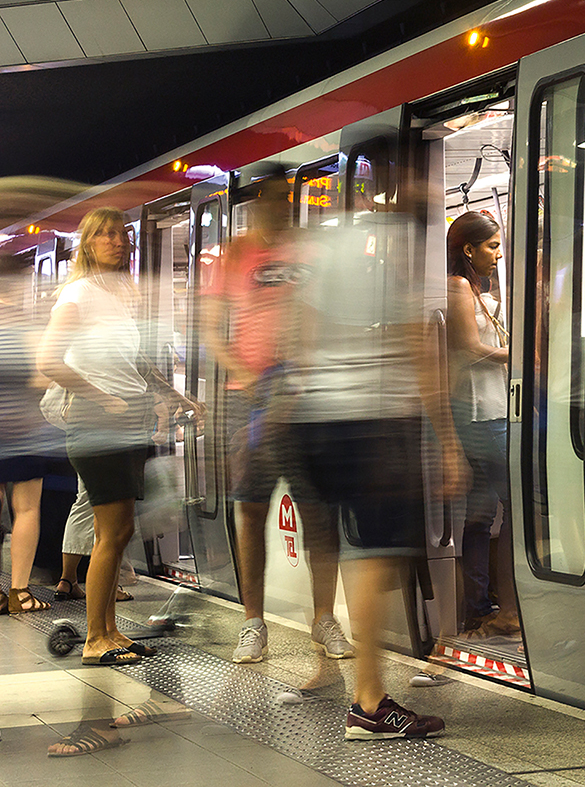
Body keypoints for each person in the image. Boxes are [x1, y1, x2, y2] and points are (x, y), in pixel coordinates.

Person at [279, 209, 467, 740]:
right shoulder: (388, 260)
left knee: (360, 554)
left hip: (321, 423)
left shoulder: (325, 256)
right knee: (375, 560)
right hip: (373, 424)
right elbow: (421, 355)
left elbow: (297, 341)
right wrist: (447, 441)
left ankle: (361, 689)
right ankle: (368, 701)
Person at [202, 166, 352, 664]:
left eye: (285, 196)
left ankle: (324, 618)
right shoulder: (235, 254)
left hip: (307, 395)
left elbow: (326, 312)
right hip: (249, 396)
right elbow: (210, 330)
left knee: (318, 509)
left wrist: (305, 366)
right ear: (255, 202)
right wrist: (250, 376)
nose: (279, 204)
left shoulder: (312, 249)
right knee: (251, 508)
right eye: (269, 197)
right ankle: (252, 623)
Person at [35, 207, 192, 665]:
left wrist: (174, 395)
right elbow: (49, 360)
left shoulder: (122, 294)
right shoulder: (79, 293)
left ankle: (111, 631)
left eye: (122, 234)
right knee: (111, 533)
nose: (116, 241)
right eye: (104, 235)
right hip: (97, 423)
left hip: (126, 424)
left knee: (119, 532)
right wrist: (104, 400)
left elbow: (135, 364)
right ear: (87, 244)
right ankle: (93, 640)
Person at [446, 211, 519, 636]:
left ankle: (479, 605)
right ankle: (506, 604)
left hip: (482, 411)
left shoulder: (474, 289)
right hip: (483, 413)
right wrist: (522, 354)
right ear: (468, 249)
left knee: (479, 513)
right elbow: (468, 348)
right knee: (515, 506)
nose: (498, 254)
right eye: (492, 246)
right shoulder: (457, 287)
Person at [0, 254, 57, 615]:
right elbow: (42, 377)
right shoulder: (30, 325)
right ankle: (19, 593)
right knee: (27, 509)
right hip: (23, 431)